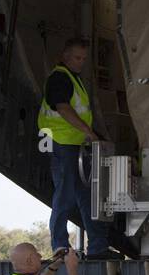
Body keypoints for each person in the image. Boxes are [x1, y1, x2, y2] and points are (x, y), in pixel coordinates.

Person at [38, 37, 114, 259]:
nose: (81, 62)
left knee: (88, 196)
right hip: (62, 144)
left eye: (83, 58)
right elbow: (63, 108)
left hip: (76, 144)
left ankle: (98, 247)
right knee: (65, 195)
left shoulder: (74, 78)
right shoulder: (59, 78)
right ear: (65, 56)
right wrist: (89, 132)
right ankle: (60, 246)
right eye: (77, 57)